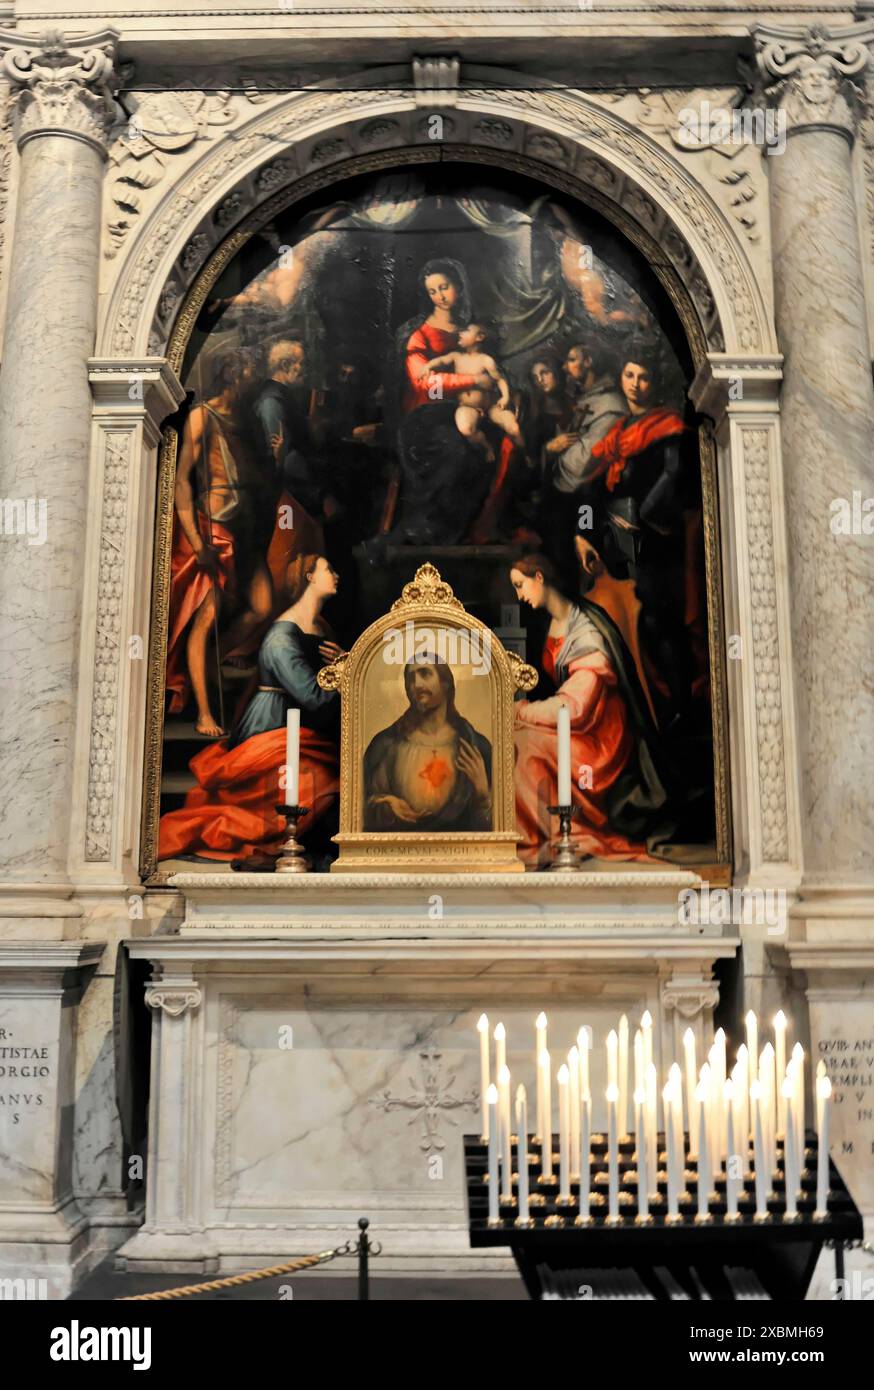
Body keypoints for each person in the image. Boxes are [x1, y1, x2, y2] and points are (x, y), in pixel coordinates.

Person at [158, 554, 342, 865]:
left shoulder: (319, 627)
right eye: (329, 568)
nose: (336, 575)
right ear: (309, 576)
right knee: (319, 781)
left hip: (299, 727)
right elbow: (312, 695)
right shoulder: (281, 638)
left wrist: (341, 665)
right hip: (270, 728)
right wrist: (346, 671)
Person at [509, 553, 674, 866]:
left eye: (520, 585)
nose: (519, 595)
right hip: (577, 726)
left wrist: (522, 712)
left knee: (526, 744)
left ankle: (561, 836)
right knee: (518, 738)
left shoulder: (586, 631)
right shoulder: (556, 622)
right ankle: (540, 836)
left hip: (601, 738)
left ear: (539, 578)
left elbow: (574, 708)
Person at [165, 349, 275, 736]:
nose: (255, 381)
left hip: (246, 530)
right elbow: (181, 481)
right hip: (213, 530)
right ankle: (204, 712)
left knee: (263, 605)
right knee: (205, 619)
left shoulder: (247, 422)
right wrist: (196, 543)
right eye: (250, 373)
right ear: (232, 374)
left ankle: (212, 663)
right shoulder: (203, 415)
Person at [586, 342, 695, 720]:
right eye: (629, 375)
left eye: (644, 377)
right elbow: (594, 490)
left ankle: (678, 706)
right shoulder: (618, 432)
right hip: (619, 542)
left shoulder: (668, 426)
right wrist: (586, 532)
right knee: (624, 623)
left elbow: (673, 475)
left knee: (657, 621)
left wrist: (645, 516)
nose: (635, 384)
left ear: (654, 382)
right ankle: (643, 707)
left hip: (657, 540)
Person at [364, 653, 492, 832]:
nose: (416, 685)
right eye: (410, 678)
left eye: (425, 674)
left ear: (446, 683)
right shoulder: (385, 745)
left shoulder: (477, 747)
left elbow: (493, 828)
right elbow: (362, 809)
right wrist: (384, 804)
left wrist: (483, 797)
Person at [420, 322, 525, 461]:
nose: (460, 334)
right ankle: (487, 447)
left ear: (480, 337)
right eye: (461, 331)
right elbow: (441, 361)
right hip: (469, 406)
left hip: (491, 406)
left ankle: (526, 455)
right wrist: (428, 365)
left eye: (466, 331)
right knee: (466, 429)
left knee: (514, 428)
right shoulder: (456, 356)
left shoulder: (486, 360)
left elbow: (499, 380)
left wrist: (505, 397)